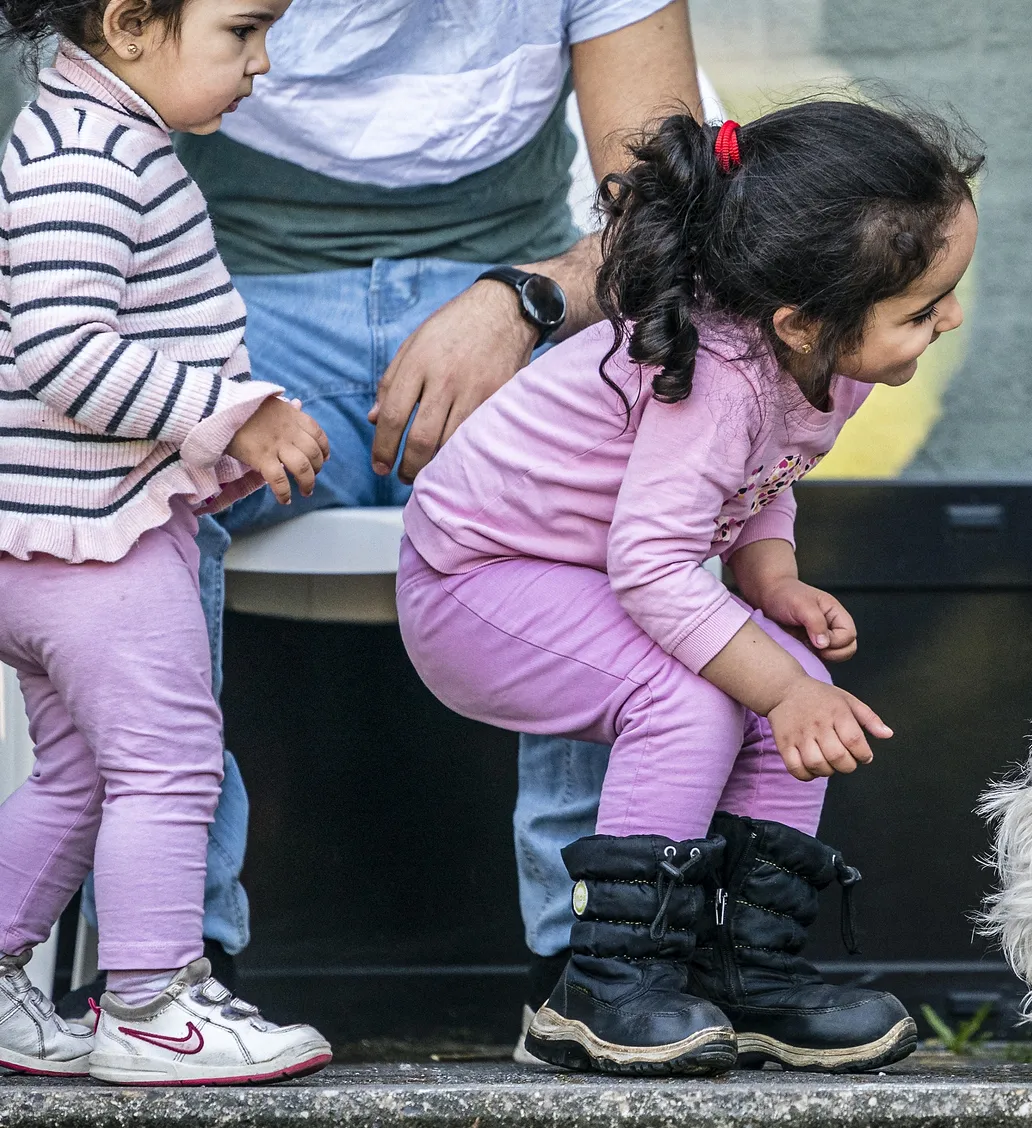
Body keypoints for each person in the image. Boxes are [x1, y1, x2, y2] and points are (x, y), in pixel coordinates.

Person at [50, 1, 704, 1047]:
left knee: (631, 462)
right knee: (135, 474)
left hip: (514, 303)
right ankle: (163, 967)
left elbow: (673, 211)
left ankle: (599, 960)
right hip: (231, 300)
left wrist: (524, 302)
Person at [395, 103, 980, 1075]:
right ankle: (599, 990)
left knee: (776, 675)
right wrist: (786, 691)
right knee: (699, 701)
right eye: (922, 309)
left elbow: (764, 474)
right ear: (802, 320)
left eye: (947, 294)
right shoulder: (716, 374)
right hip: (477, 581)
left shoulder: (818, 355)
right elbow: (656, 564)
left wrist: (770, 574)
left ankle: (750, 976)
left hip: (588, 572)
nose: (946, 319)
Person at [0, 0, 334, 1084]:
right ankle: (151, 1005)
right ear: (132, 23)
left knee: (85, 774)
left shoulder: (94, 132)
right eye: (242, 31)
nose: (263, 63)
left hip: (61, 537)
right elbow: (61, 349)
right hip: (94, 540)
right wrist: (238, 412)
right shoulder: (89, 157)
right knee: (170, 764)